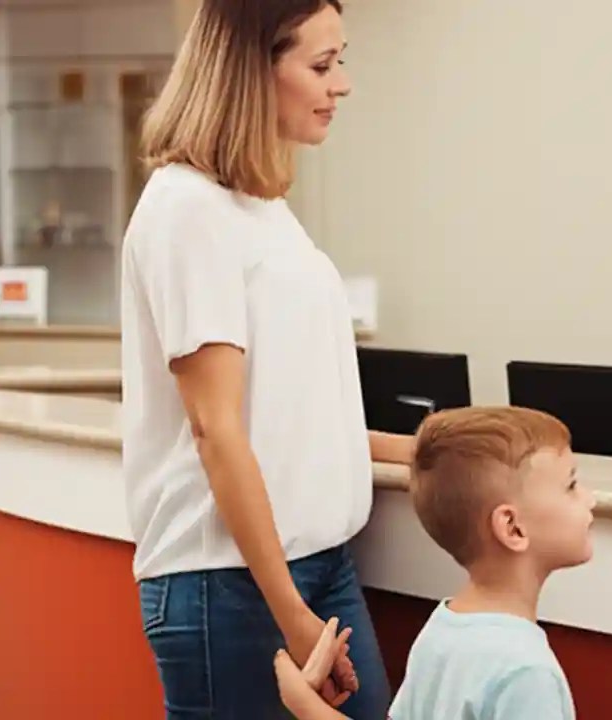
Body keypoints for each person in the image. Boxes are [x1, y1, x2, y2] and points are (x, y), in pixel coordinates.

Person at [122, 1, 412, 716]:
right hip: (233, 583)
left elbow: (288, 414)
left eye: (340, 60)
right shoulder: (186, 210)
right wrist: (289, 612)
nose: (340, 84)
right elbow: (216, 429)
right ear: (250, 72)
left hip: (317, 564)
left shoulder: (260, 206)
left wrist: (428, 450)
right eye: (321, 65)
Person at [273, 406, 594, 719]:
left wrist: (308, 707)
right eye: (571, 486)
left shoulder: (440, 632)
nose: (589, 498)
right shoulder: (527, 675)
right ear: (512, 527)